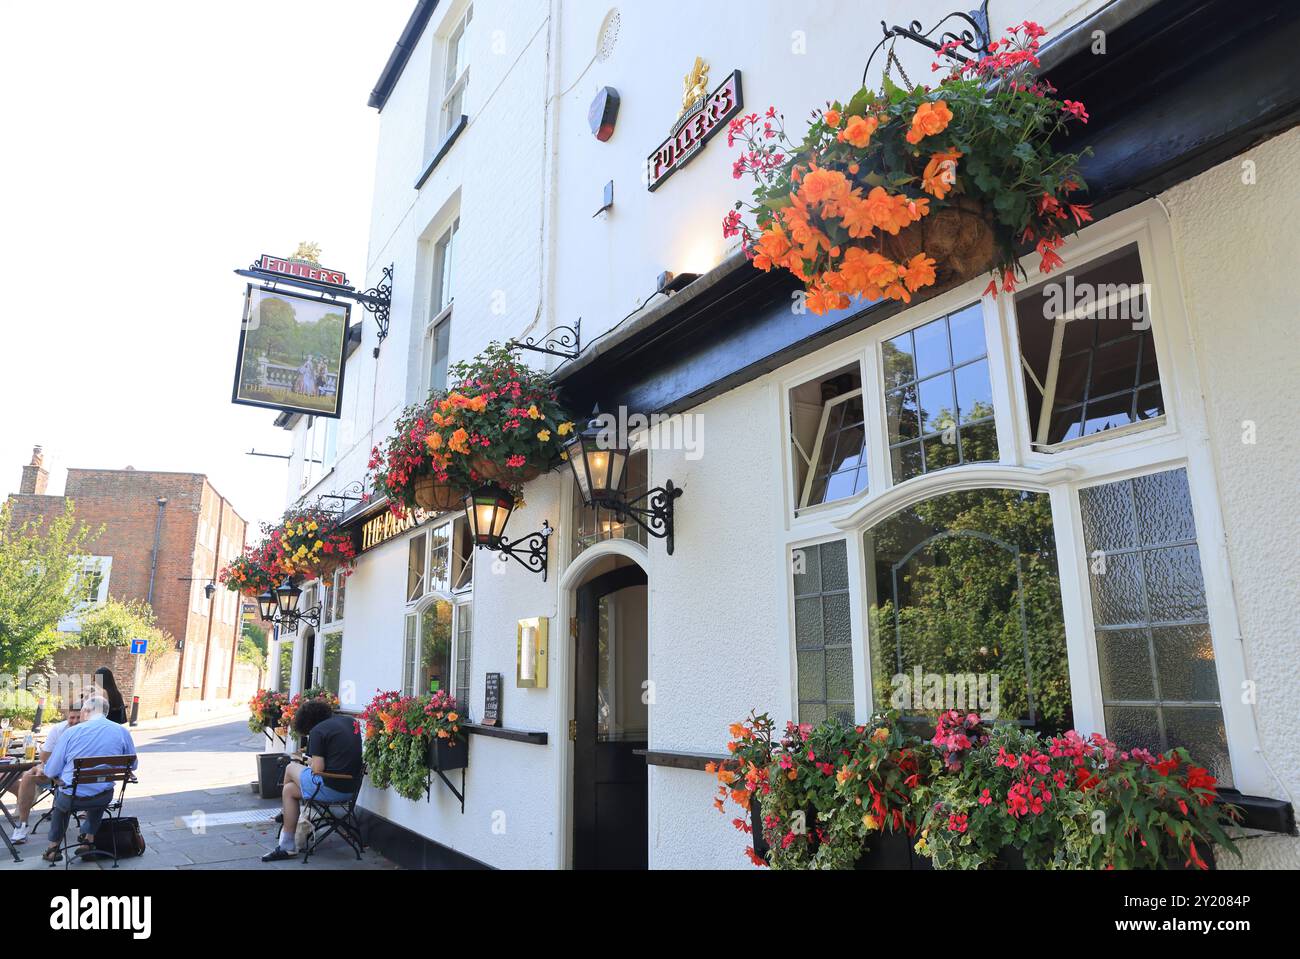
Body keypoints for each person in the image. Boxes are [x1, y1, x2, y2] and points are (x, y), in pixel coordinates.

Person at [39, 695, 138, 864]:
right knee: (101, 787)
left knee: (61, 803)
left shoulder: (71, 732)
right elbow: (133, 764)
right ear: (105, 713)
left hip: (72, 799)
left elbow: (51, 770)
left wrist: (57, 775)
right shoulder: (122, 731)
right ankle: (87, 841)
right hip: (103, 798)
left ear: (85, 711)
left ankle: (53, 848)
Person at [261, 698, 360, 862]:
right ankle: (286, 845)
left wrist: (311, 762)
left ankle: (285, 816)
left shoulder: (318, 731)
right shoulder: (350, 721)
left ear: (307, 722)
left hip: (330, 787)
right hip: (350, 788)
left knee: (290, 767)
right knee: (289, 790)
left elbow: (318, 770)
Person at [5, 700, 82, 844]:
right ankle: (22, 826)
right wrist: (43, 768)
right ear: (67, 717)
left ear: (84, 716)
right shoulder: (59, 729)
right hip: (56, 772)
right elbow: (45, 757)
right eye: (72, 717)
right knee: (30, 775)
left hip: (72, 777)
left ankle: (32, 791)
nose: (75, 721)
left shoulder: (88, 731)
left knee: (31, 772)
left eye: (78, 717)